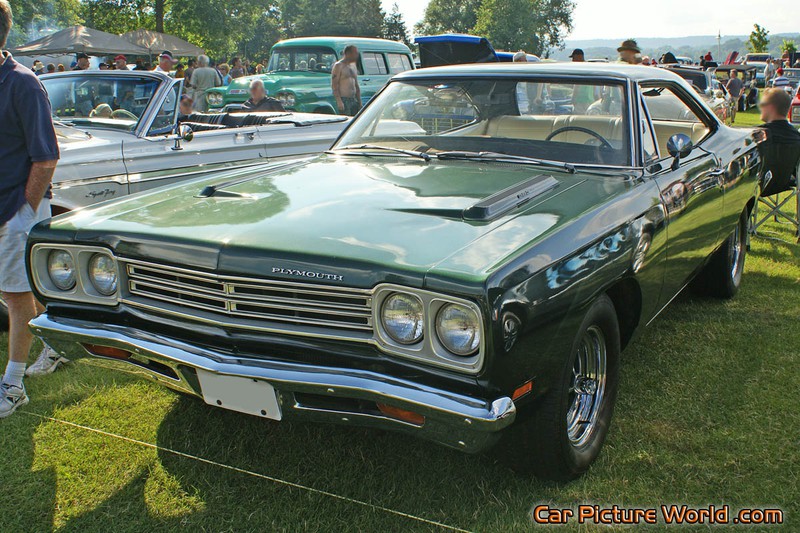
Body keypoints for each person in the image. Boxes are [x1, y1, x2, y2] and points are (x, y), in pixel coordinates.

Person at [0, 0, 63, 418]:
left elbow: (46, 157)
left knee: (17, 296)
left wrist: (23, 211)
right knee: (15, 294)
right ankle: (58, 345)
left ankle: (13, 385)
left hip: (14, 210)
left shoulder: (22, 83)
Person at [331, 45, 361, 116]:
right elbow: (334, 85)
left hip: (353, 99)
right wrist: (339, 101)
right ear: (348, 53)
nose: (357, 55)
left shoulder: (353, 65)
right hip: (344, 99)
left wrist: (359, 101)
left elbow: (356, 84)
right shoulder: (338, 66)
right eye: (355, 53)